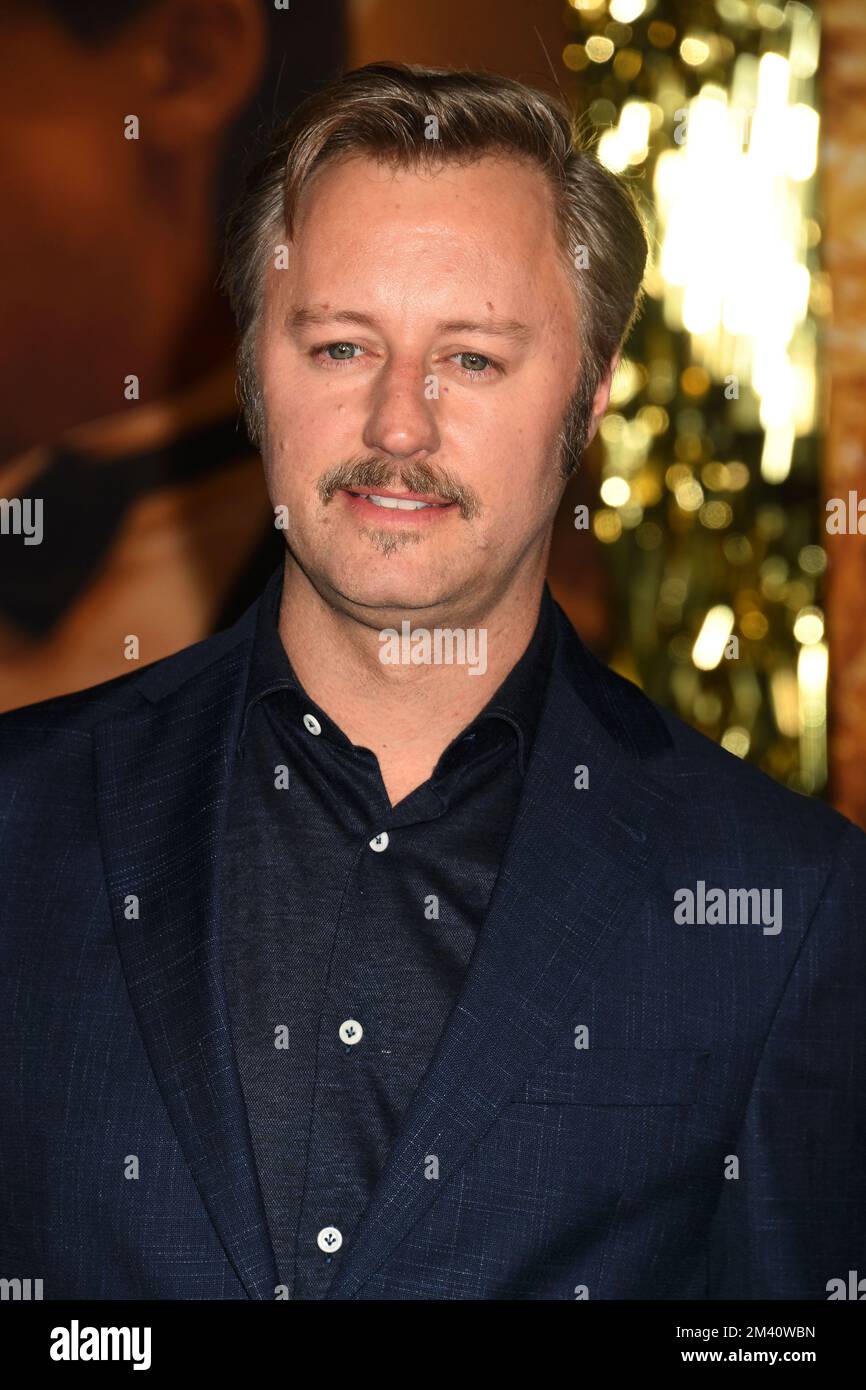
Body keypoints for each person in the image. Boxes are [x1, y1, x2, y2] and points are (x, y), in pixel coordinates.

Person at [1, 62, 863, 1302]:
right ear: (252, 368)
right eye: (342, 343)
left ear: (589, 393)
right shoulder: (19, 821)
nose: (397, 423)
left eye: (469, 358)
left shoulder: (782, 904)